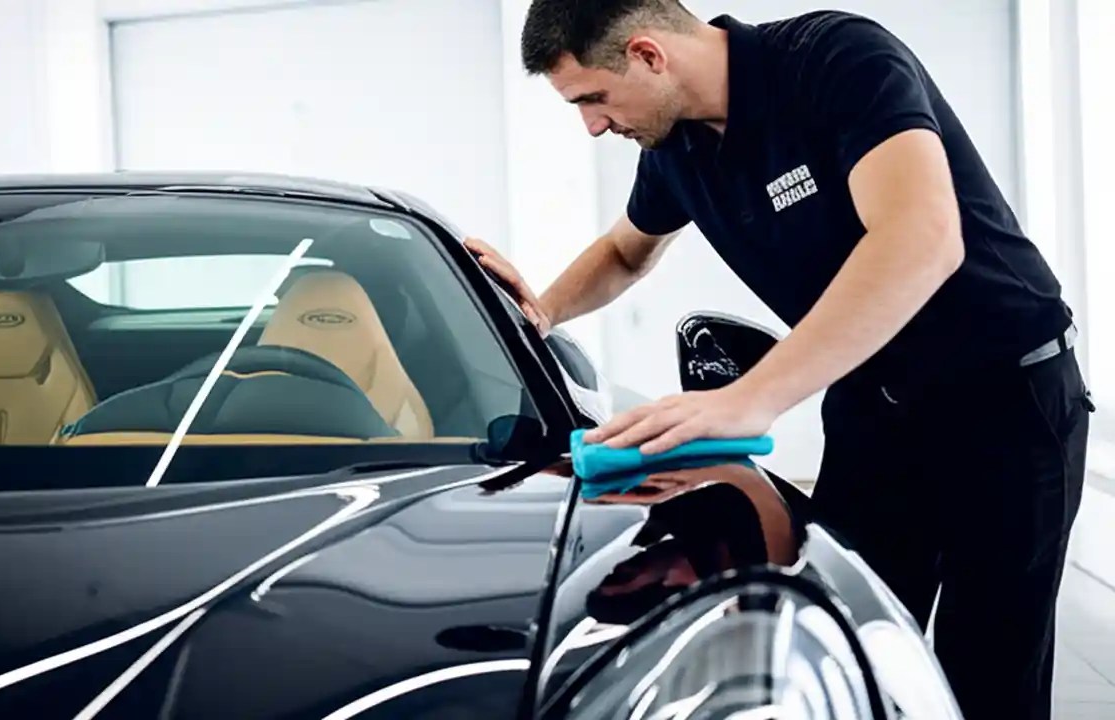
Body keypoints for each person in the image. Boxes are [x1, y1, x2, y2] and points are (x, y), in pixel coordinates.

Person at [464, 2, 1092, 718]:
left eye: (593, 98)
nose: (594, 125)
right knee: (846, 648)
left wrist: (748, 398)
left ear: (648, 54)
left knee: (988, 673)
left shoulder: (835, 61)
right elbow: (621, 253)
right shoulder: (675, 151)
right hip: (873, 408)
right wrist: (540, 309)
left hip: (1005, 399)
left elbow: (922, 235)